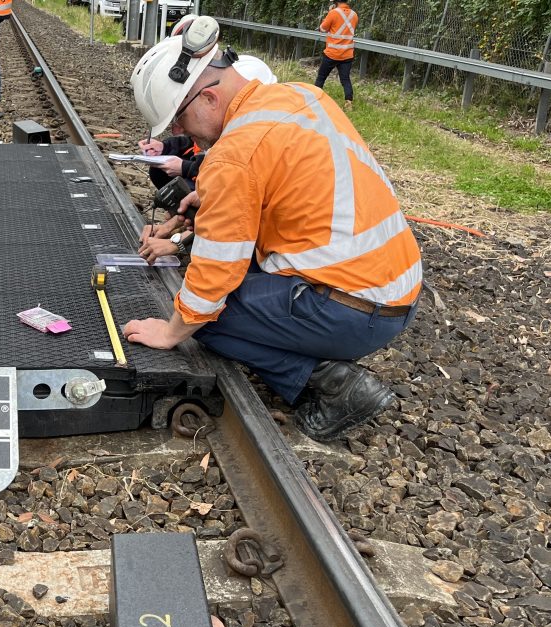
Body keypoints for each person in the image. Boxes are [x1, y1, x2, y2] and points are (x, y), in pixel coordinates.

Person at [123, 19, 422, 441]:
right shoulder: (302, 95)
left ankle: (334, 383)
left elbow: (212, 281)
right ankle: (326, 362)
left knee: (205, 316)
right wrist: (209, 203)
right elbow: (288, 182)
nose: (177, 133)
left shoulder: (233, 157)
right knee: (217, 287)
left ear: (208, 96)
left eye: (178, 119)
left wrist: (172, 330)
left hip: (350, 310)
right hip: (395, 292)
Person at [138, 54, 277, 189]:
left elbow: (224, 175)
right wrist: (165, 147)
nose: (176, 130)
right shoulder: (235, 122)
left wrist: (185, 169)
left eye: (181, 116)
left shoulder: (247, 140)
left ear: (211, 98)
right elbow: (192, 144)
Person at [315, 0, 358, 112]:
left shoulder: (333, 13)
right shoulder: (354, 15)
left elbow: (323, 28)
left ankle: (313, 100)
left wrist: (329, 12)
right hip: (347, 55)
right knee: (345, 79)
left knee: (321, 77)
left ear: (335, 2)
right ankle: (349, 103)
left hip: (332, 54)